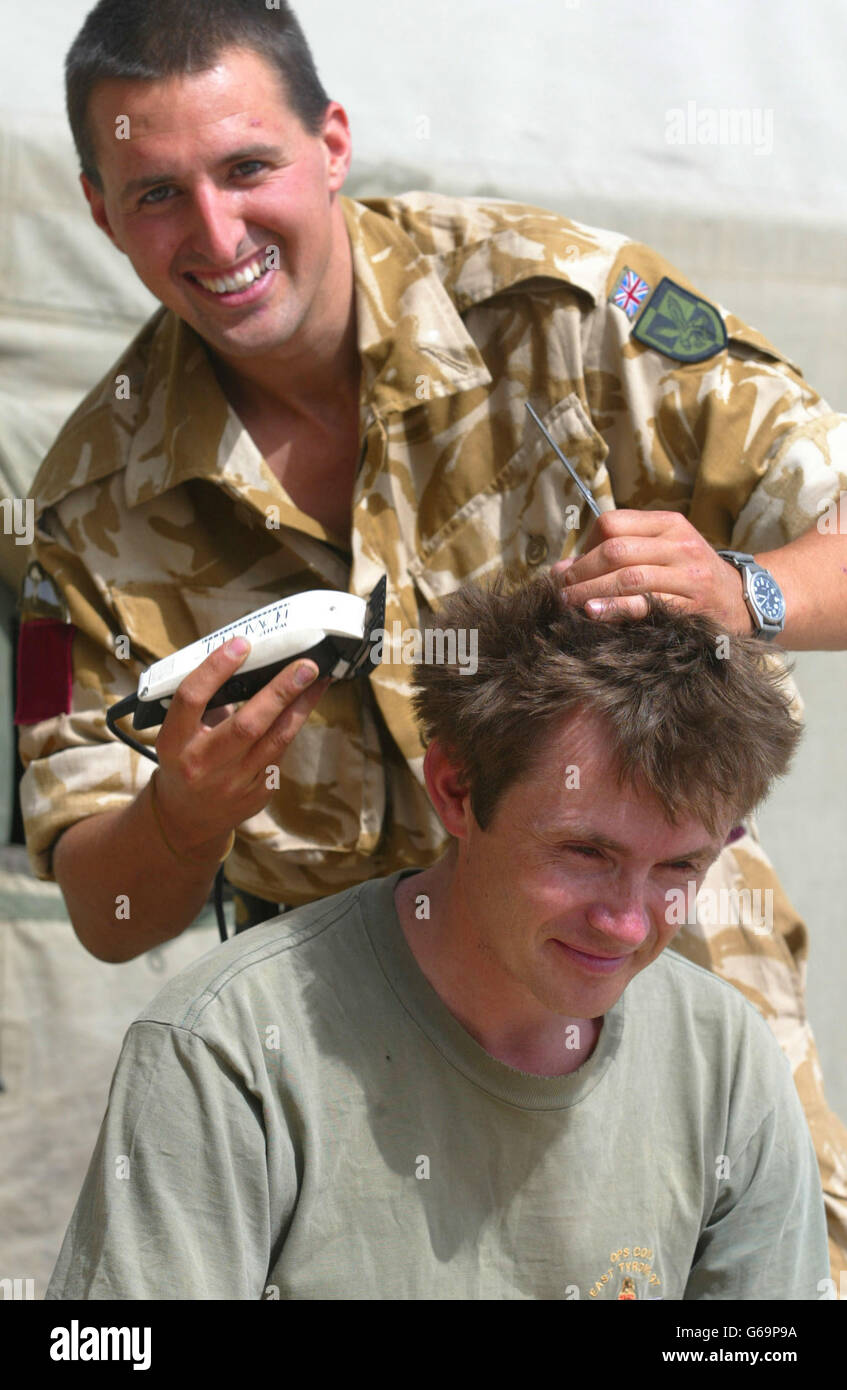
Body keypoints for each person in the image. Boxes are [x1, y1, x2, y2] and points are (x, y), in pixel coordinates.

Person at [15, 0, 847, 1272]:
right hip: (356, 1079)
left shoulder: (562, 314)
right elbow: (110, 908)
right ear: (95, 207)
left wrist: (752, 591)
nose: (218, 233)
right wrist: (184, 815)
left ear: (333, 142)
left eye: (248, 169)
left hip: (661, 996)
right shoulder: (78, 516)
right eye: (157, 195)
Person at [45, 579, 829, 1300]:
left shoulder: (724, 1060)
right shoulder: (230, 1051)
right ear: (457, 791)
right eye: (585, 854)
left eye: (679, 867)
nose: (626, 922)